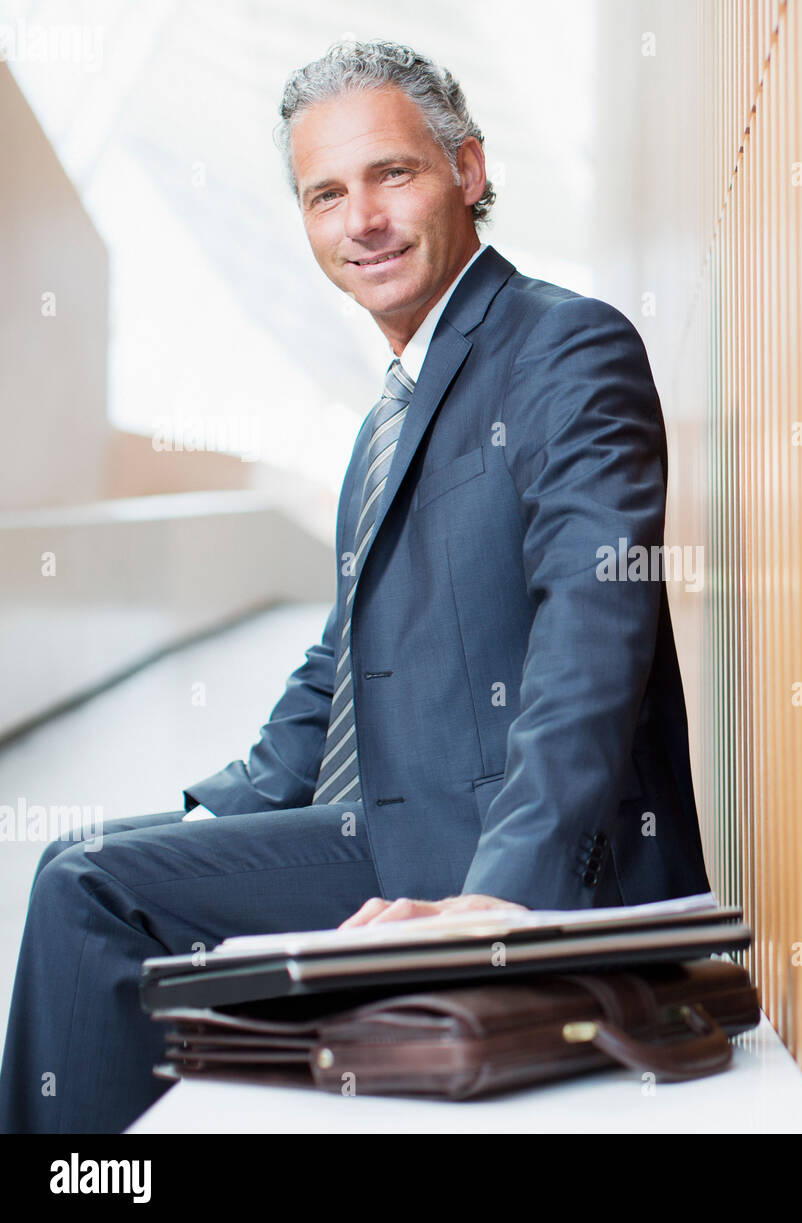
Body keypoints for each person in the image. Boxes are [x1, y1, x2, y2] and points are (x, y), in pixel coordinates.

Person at [0, 38, 709, 1134]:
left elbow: (593, 629)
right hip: (388, 818)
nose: (360, 221)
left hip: (494, 856)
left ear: (468, 170)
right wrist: (214, 813)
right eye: (325, 194)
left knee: (87, 893)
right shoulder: (392, 411)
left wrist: (501, 893)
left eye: (392, 174)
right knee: (87, 857)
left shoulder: (565, 348)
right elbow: (342, 656)